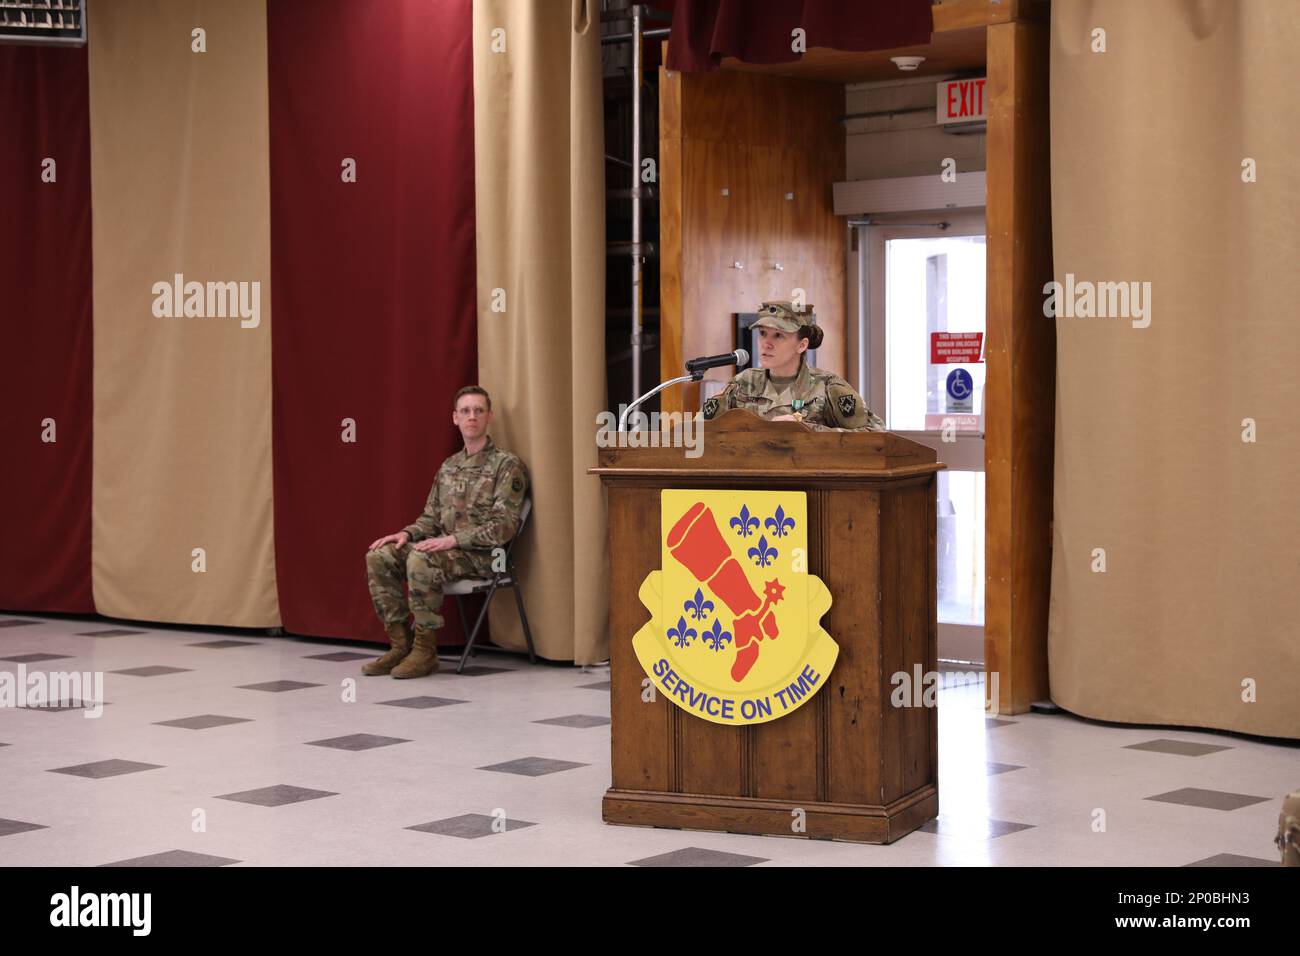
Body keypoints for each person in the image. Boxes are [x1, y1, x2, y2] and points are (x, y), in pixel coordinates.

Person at [363, 386, 529, 679]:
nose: (472, 416)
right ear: (455, 418)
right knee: (379, 555)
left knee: (420, 559)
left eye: (478, 410)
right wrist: (405, 534)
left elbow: (505, 527)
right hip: (447, 552)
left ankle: (426, 652)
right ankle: (401, 644)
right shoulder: (449, 467)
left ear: (489, 416)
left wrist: (454, 539)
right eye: (465, 411)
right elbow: (430, 519)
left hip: (486, 557)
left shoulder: (507, 465)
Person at [703, 301, 885, 432]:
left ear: (802, 345)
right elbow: (702, 431)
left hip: (809, 482)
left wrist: (808, 431)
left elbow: (875, 434)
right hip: (754, 480)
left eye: (778, 336)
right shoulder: (743, 382)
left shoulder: (828, 387)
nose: (766, 343)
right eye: (763, 333)